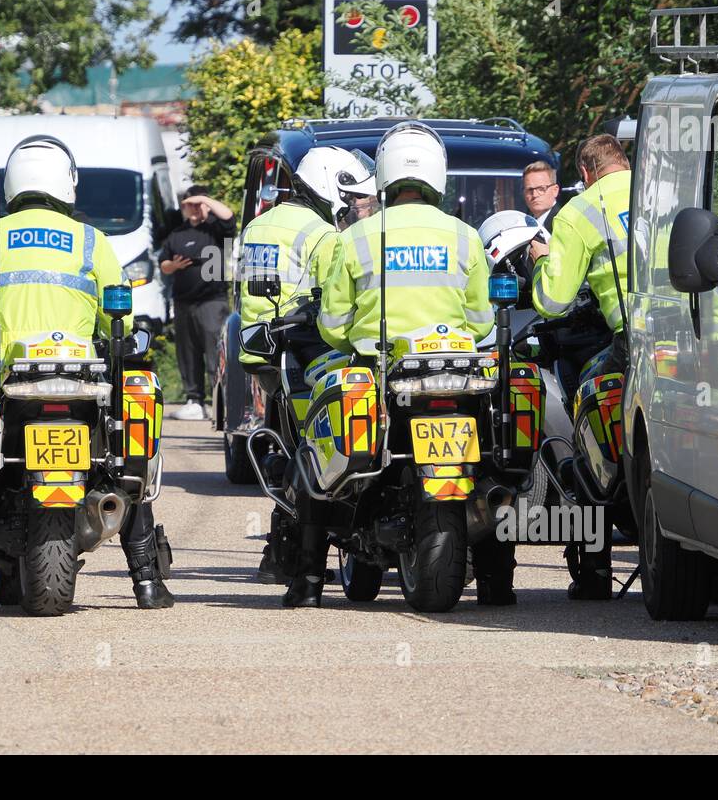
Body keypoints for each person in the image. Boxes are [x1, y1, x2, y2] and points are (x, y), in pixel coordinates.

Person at [0, 136, 174, 609]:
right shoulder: (91, 240)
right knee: (124, 468)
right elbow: (117, 316)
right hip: (83, 380)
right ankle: (147, 583)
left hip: (7, 380)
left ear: (12, 185)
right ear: (67, 185)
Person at [287, 122, 497, 609]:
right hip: (457, 375)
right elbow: (483, 321)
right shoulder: (466, 237)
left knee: (313, 456)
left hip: (379, 374)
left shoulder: (356, 237)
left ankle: (309, 582)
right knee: (492, 465)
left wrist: (355, 340)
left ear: (383, 177)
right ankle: (493, 580)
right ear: (437, 176)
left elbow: (334, 323)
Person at [239, 146, 376, 584]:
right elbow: (338, 301)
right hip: (304, 345)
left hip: (260, 348)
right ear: (327, 186)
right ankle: (302, 553)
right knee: (319, 445)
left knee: (289, 441)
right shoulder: (323, 235)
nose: (354, 204)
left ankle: (281, 553)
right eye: (350, 194)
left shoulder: (258, 225)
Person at [529, 133, 632, 601]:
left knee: (589, 434)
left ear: (586, 174)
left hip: (632, 342)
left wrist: (541, 262)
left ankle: (593, 572)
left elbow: (553, 302)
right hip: (697, 339)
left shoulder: (580, 211)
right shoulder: (666, 190)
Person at [159, 184, 236, 421]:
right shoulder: (177, 233)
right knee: (187, 353)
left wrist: (203, 199)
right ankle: (194, 400)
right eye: (188, 204)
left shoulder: (215, 229)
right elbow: (164, 263)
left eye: (196, 204)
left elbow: (229, 216)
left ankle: (220, 400)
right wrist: (174, 266)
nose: (192, 209)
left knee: (215, 351)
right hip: (183, 301)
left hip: (212, 300)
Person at [522, 160, 561, 229]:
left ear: (555, 190)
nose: (534, 195)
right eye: (530, 189)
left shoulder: (562, 222)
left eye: (541, 189)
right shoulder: (523, 223)